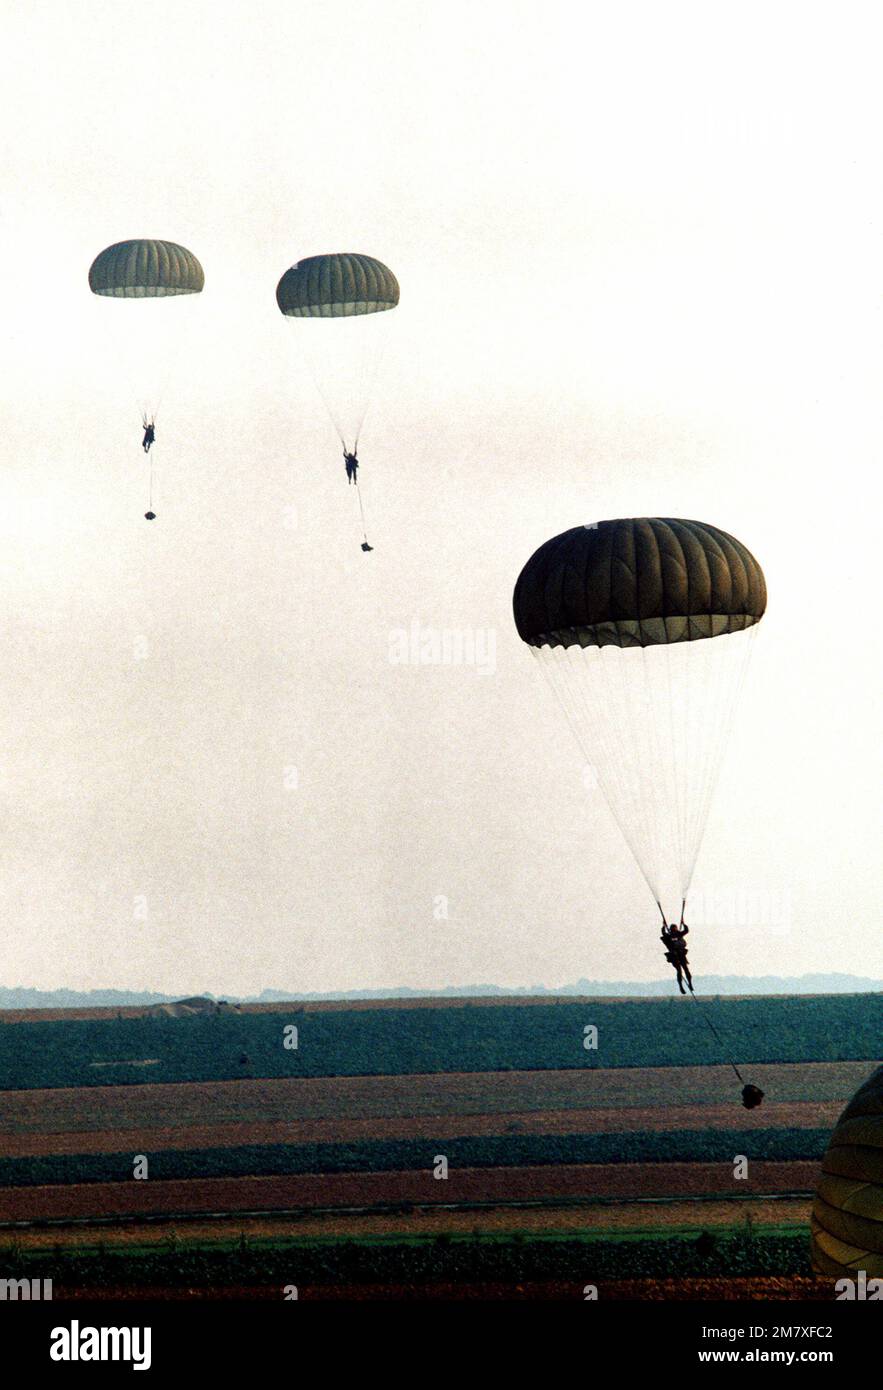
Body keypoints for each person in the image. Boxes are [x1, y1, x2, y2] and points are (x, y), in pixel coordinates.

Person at [661, 920, 693, 994]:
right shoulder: (669, 936)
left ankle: (690, 984)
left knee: (685, 969)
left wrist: (684, 923)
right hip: (674, 955)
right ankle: (681, 986)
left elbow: (686, 930)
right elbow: (663, 933)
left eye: (675, 929)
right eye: (673, 929)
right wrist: (663, 926)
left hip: (681, 954)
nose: (674, 930)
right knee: (680, 970)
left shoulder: (679, 934)